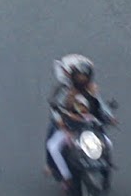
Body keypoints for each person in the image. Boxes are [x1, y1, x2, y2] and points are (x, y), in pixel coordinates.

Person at [45, 54, 112, 185]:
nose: (82, 80)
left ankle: (105, 174)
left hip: (89, 128)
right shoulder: (64, 91)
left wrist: (109, 116)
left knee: (108, 144)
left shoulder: (92, 91)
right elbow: (56, 108)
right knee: (53, 147)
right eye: (79, 76)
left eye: (84, 77)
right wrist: (60, 120)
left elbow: (100, 105)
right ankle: (66, 176)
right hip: (70, 128)